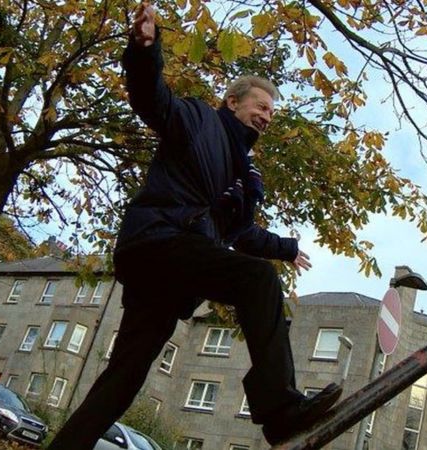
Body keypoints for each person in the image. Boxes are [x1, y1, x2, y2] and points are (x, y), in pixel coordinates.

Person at [47, 2, 341, 448]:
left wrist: (283, 246)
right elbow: (153, 100)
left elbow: (239, 232)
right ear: (232, 102)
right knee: (257, 280)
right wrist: (145, 50)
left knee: (125, 376)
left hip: (171, 272)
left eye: (271, 114)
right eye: (260, 106)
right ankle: (278, 410)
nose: (266, 116)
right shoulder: (199, 120)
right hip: (160, 241)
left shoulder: (241, 170)